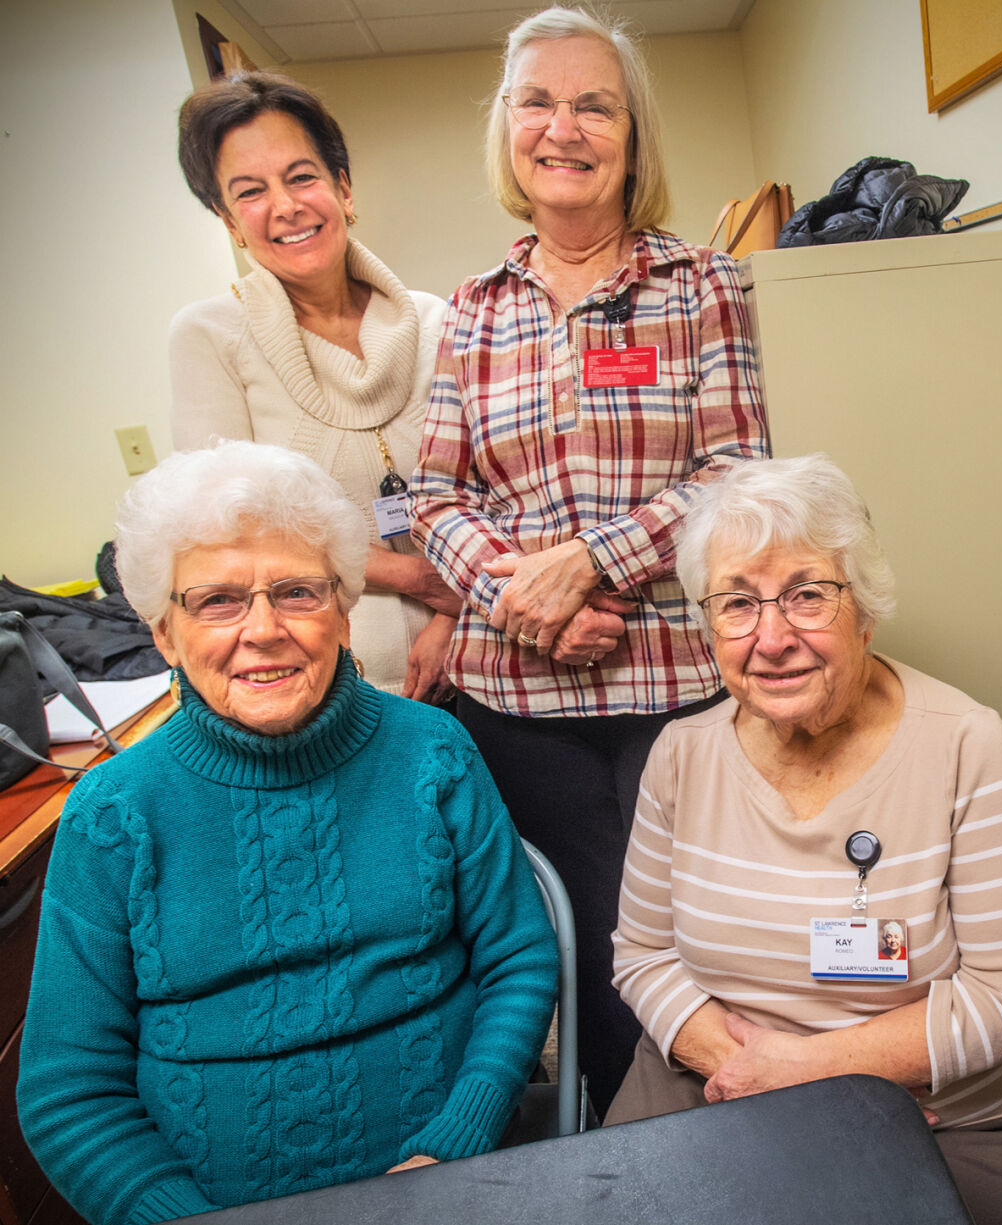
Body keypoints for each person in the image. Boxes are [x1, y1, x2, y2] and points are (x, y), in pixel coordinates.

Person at [18, 441, 557, 1225]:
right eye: (218, 600)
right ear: (164, 632)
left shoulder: (433, 751)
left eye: (298, 591)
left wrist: (455, 1147)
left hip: (450, 1185)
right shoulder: (112, 811)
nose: (264, 628)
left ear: (343, 610)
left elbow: (519, 957)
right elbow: (68, 1088)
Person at [411, 5, 768, 1115]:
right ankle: (626, 1155)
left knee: (704, 933)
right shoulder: (470, 311)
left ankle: (740, 1129)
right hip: (519, 700)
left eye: (593, 105)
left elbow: (737, 469)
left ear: (632, 133)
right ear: (507, 128)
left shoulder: (702, 284)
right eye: (536, 102)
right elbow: (434, 496)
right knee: (593, 956)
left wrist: (588, 561)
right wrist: (528, 597)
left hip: (679, 686)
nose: (561, 127)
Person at [609, 455, 1002, 1225]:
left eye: (806, 595)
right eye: (736, 603)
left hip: (943, 1114)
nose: (772, 636)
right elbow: (644, 953)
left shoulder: (964, 743)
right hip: (711, 1081)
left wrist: (815, 1074)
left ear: (865, 609)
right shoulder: (681, 754)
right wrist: (743, 1070)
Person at [170, 72, 459, 702]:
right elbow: (234, 532)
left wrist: (451, 616)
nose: (285, 206)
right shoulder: (209, 337)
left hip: (479, 659)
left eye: (301, 177)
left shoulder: (440, 320)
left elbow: (493, 492)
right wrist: (415, 577)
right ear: (229, 221)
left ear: (343, 189)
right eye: (251, 192)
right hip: (323, 686)